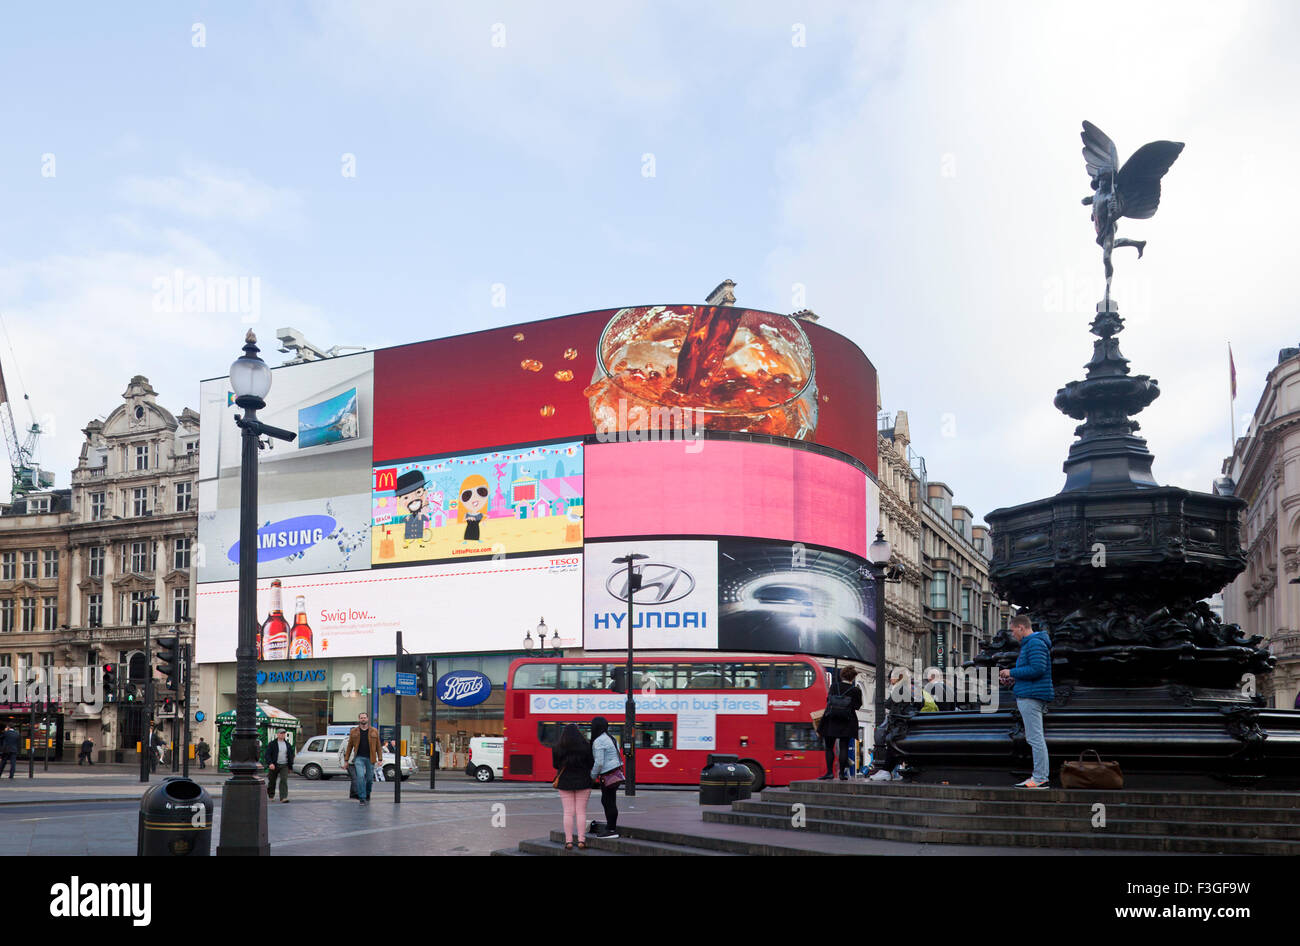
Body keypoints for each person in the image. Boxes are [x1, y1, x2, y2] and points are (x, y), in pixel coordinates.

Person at [999, 613, 1054, 789]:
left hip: (1031, 696)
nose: (1013, 634)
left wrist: (1012, 672)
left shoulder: (1035, 643)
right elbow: (1033, 670)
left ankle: (1040, 778)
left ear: (1021, 627)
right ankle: (1039, 777)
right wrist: (1013, 679)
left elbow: (1038, 668)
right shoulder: (1032, 644)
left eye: (1013, 630)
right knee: (1034, 737)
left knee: (1035, 738)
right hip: (1030, 692)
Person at [551, 723, 594, 850]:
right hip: (583, 781)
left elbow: (555, 765)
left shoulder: (557, 747)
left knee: (568, 812)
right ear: (578, 733)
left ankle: (568, 842)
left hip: (565, 782)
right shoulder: (586, 747)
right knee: (581, 812)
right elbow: (591, 763)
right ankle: (581, 840)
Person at [819, 666, 863, 780]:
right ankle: (842, 774)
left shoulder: (834, 686)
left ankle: (829, 773)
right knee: (844, 747)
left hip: (831, 720)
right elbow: (858, 706)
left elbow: (828, 700)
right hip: (847, 721)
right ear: (852, 678)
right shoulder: (856, 690)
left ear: (841, 675)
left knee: (829, 747)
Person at [589, 717, 622, 839]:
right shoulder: (611, 738)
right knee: (609, 801)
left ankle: (611, 830)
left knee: (608, 802)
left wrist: (592, 776)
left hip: (608, 775)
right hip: (615, 773)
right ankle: (611, 827)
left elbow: (599, 762)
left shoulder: (599, 741)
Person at [342, 714, 382, 805]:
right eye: (361, 718)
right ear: (359, 719)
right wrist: (346, 760)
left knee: (369, 779)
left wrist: (380, 759)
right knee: (360, 777)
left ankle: (367, 793)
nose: (363, 719)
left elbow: (378, 746)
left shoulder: (374, 731)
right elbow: (349, 747)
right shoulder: (354, 731)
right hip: (359, 758)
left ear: (367, 719)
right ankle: (362, 798)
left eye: (364, 718)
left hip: (370, 758)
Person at [263, 730, 295, 803]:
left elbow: (291, 756)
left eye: (284, 733)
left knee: (284, 780)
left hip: (284, 765)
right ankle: (271, 795)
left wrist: (290, 767)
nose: (282, 735)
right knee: (272, 781)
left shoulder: (287, 744)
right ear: (277, 734)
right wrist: (270, 763)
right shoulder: (272, 744)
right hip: (274, 765)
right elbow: (267, 755)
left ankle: (283, 797)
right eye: (281, 733)